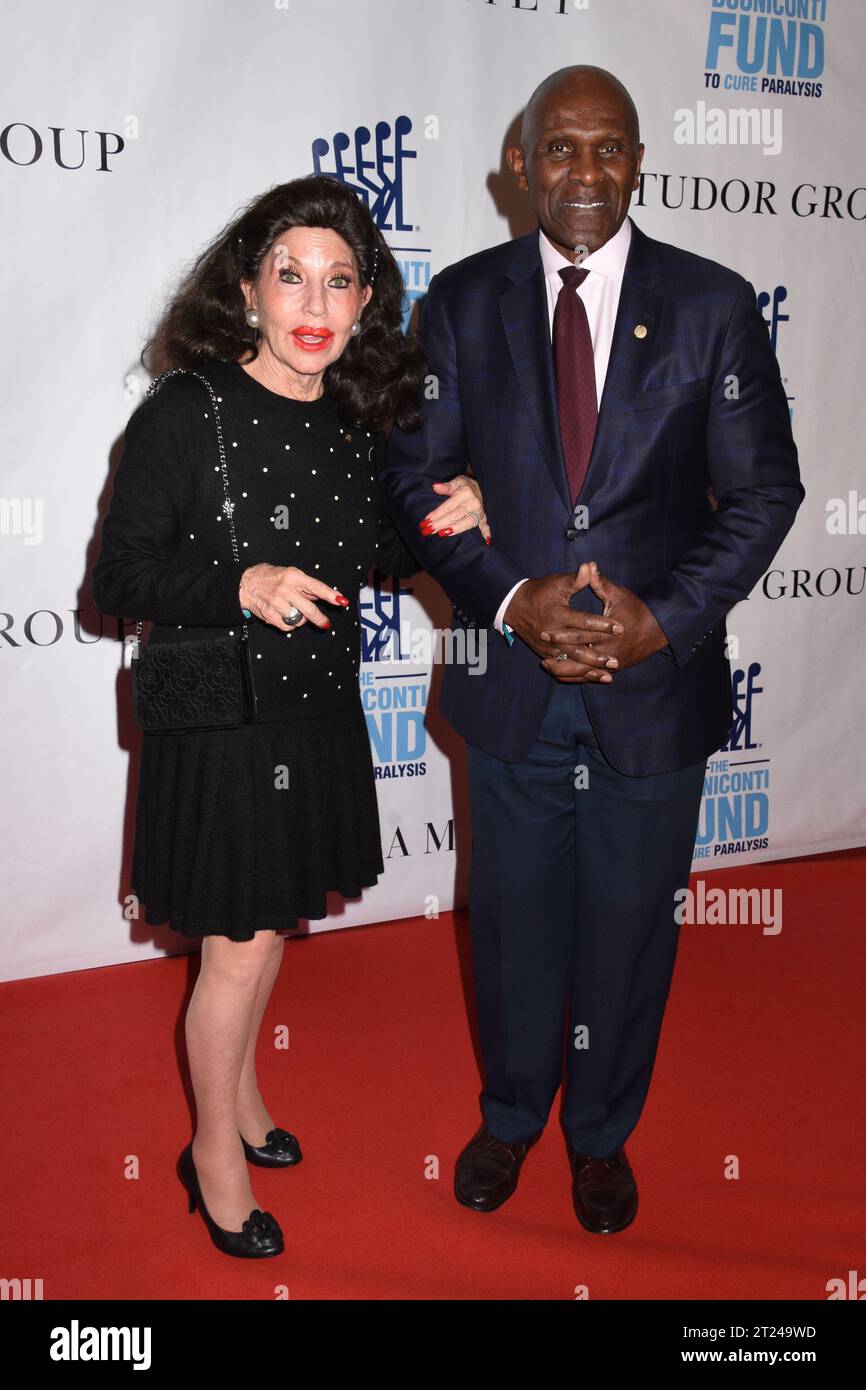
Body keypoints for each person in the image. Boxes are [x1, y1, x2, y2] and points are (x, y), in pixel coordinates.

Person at [382, 66, 804, 1234]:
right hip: (507, 682)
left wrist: (658, 617)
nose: (581, 171)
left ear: (636, 162)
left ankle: (600, 1136)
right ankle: (511, 1115)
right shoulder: (460, 305)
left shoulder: (712, 304)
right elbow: (410, 481)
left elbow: (764, 492)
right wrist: (512, 599)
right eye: (557, 148)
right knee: (513, 916)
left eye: (605, 147)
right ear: (518, 167)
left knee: (629, 922)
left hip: (652, 688)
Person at [92, 175, 489, 1259]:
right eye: (290, 276)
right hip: (218, 715)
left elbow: (384, 551)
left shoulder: (359, 425)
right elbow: (117, 576)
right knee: (234, 948)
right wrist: (240, 578)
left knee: (263, 933)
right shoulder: (188, 409)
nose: (314, 303)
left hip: (311, 709)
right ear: (248, 288)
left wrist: (459, 509)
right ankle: (211, 1152)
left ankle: (246, 1104)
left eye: (339, 280)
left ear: (365, 304)